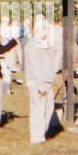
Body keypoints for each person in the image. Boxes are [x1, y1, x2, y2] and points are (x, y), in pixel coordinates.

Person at [23, 16, 60, 144]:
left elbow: (50, 61)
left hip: (47, 81)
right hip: (38, 82)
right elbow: (34, 66)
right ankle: (37, 137)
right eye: (45, 28)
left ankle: (41, 133)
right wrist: (40, 84)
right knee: (38, 110)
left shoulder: (44, 43)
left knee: (48, 109)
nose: (48, 31)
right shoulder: (32, 45)